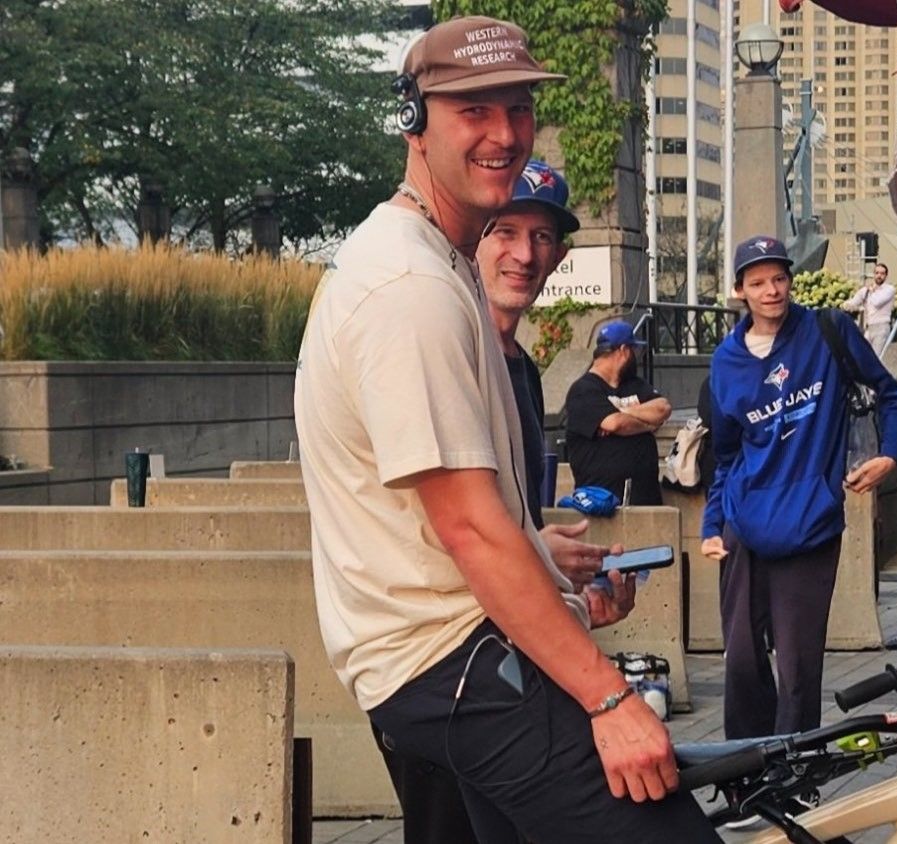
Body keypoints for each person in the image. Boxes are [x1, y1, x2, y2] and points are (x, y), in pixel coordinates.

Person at [294, 17, 720, 844]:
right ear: (414, 119)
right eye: (473, 111)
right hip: (454, 661)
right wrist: (609, 697)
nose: (504, 134)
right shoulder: (408, 288)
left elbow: (450, 513)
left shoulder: (426, 261)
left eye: (518, 108)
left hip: (436, 661)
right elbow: (467, 528)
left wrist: (533, 547)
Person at [700, 235, 897, 741]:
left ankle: (794, 775)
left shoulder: (827, 330)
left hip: (810, 523)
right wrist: (712, 526)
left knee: (798, 669)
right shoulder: (726, 361)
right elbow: (726, 455)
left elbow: (891, 394)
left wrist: (889, 455)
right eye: (758, 282)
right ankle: (748, 773)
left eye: (779, 278)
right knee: (742, 663)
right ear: (739, 292)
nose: (771, 290)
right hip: (744, 526)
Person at [565, 321, 672, 505]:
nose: (637, 357)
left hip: (644, 498)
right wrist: (648, 424)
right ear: (623, 350)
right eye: (635, 351)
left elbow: (662, 408)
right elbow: (616, 424)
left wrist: (622, 411)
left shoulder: (635, 384)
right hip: (602, 501)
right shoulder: (583, 390)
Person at [841, 261, 895, 354]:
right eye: (877, 273)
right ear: (874, 274)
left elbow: (877, 302)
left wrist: (872, 291)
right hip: (869, 327)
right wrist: (844, 305)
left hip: (882, 326)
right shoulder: (867, 290)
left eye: (882, 273)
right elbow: (855, 301)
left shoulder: (889, 289)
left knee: (876, 357)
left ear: (886, 276)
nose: (879, 276)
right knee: (864, 353)